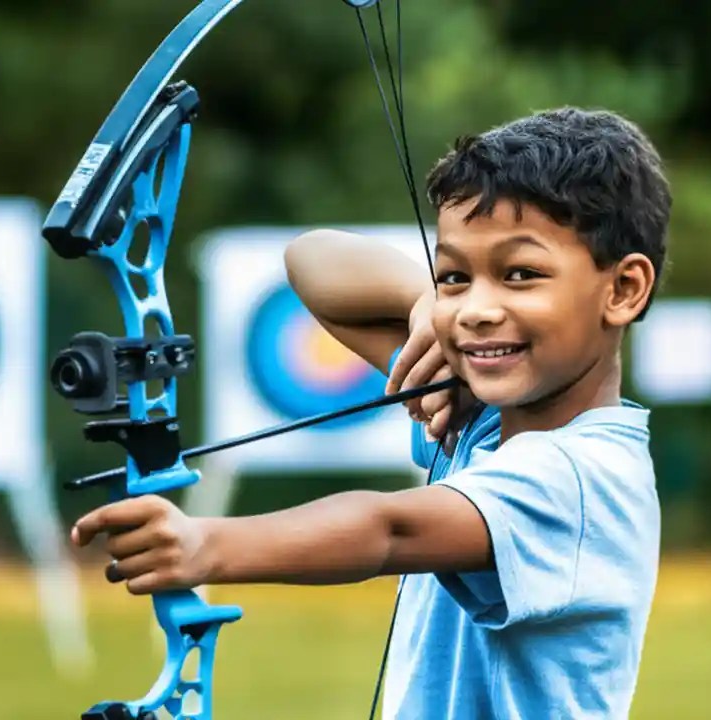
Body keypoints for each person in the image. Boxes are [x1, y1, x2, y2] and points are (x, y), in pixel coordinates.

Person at [71, 106, 671, 719]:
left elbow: (387, 528)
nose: (477, 309)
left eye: (521, 274)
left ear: (623, 290)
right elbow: (312, 260)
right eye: (457, 275)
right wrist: (425, 303)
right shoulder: (484, 420)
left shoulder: (582, 477)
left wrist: (207, 544)